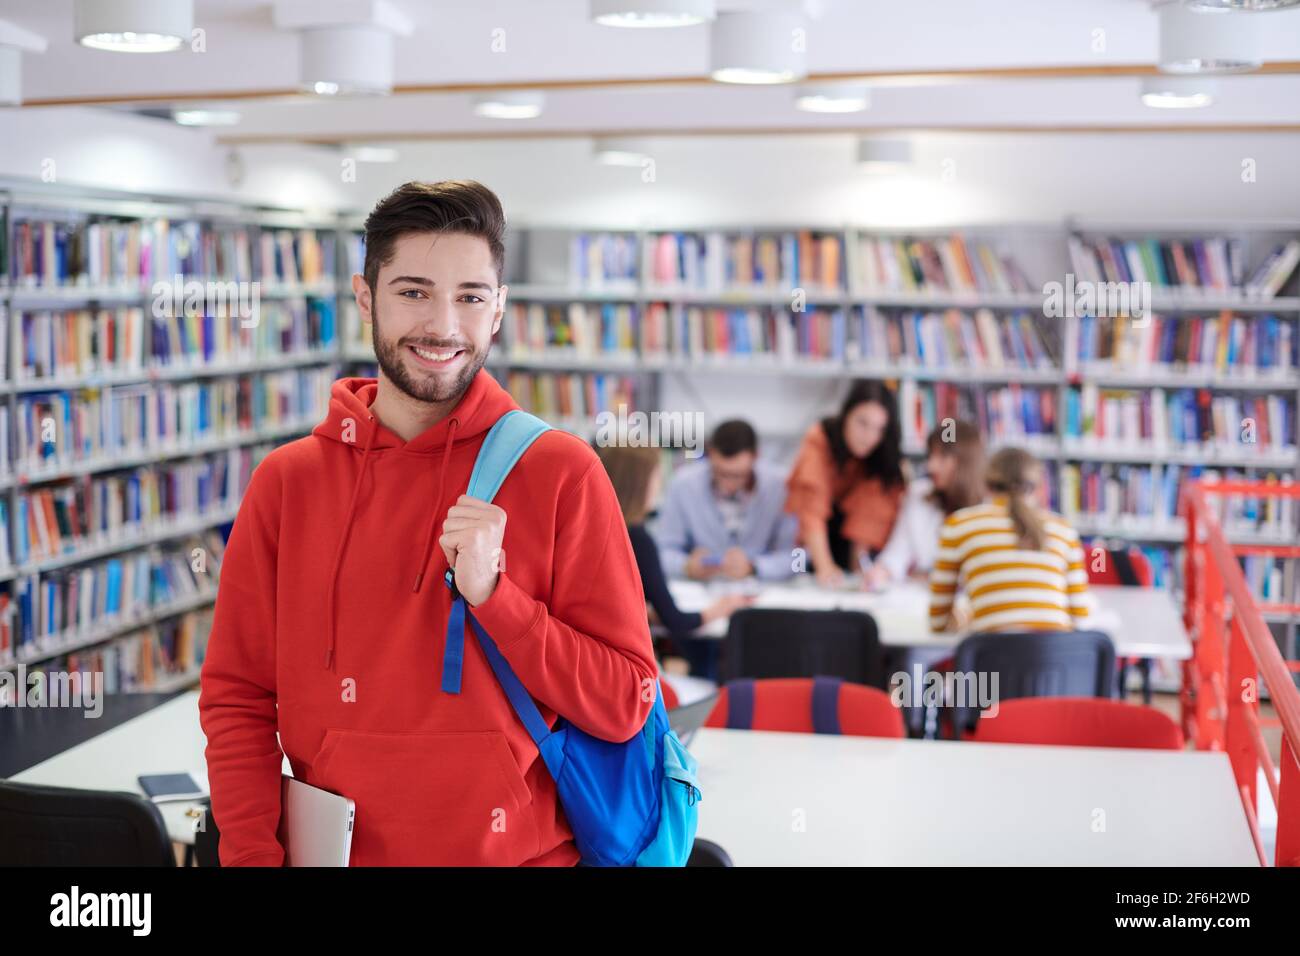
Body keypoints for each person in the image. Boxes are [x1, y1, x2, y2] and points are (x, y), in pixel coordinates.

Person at [198, 180, 659, 867]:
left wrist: (499, 602)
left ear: (498, 309)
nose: (443, 325)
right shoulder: (286, 484)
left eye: (470, 297)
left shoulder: (563, 472)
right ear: (365, 298)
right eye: (413, 291)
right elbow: (238, 698)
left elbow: (626, 700)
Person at [596, 443, 751, 677]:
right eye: (656, 479)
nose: (659, 487)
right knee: (708, 677)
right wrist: (721, 608)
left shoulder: (597, 529)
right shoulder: (637, 538)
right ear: (637, 485)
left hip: (602, 662)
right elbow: (676, 621)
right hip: (627, 670)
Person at [929, 447, 1093, 634]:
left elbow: (938, 622)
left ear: (986, 485)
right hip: (1054, 659)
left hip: (990, 659)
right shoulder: (1063, 530)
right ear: (1039, 488)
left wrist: (968, 615)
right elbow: (1081, 619)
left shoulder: (959, 525)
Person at [785, 379, 907, 587]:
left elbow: (870, 520)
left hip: (856, 543)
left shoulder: (884, 456)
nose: (869, 436)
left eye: (879, 428)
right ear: (846, 415)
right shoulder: (819, 439)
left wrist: (861, 572)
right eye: (862, 423)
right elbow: (811, 510)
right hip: (813, 540)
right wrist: (825, 568)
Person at [655, 419, 798, 582]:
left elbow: (798, 559)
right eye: (720, 473)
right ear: (710, 455)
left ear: (756, 457)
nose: (727, 485)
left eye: (738, 475)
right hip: (700, 591)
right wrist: (686, 565)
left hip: (764, 592)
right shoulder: (683, 484)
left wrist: (755, 567)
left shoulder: (781, 485)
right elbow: (660, 552)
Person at [864, 419, 985, 589]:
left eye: (943, 457)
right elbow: (897, 554)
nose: (931, 466)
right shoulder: (918, 495)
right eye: (930, 456)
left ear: (965, 461)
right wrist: (881, 572)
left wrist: (929, 575)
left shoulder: (990, 507)